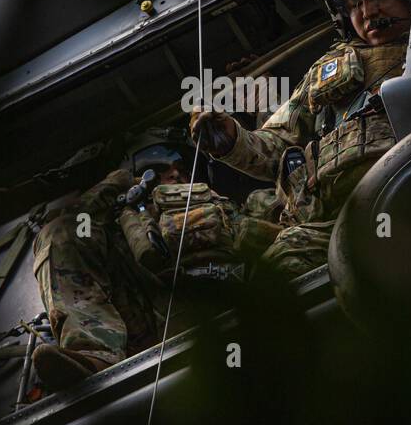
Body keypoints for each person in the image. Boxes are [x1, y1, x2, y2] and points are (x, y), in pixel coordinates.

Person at [190, 0, 411, 277]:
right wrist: (231, 138)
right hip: (329, 220)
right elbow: (277, 146)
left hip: (408, 190)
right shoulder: (330, 69)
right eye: (355, 4)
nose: (368, 12)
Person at [30, 136, 279, 389]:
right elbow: (73, 224)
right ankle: (95, 358)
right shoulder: (116, 227)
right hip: (147, 328)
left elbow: (288, 217)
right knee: (58, 232)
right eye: (159, 168)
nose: (174, 173)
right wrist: (114, 187)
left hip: (228, 310)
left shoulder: (227, 206)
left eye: (182, 168)